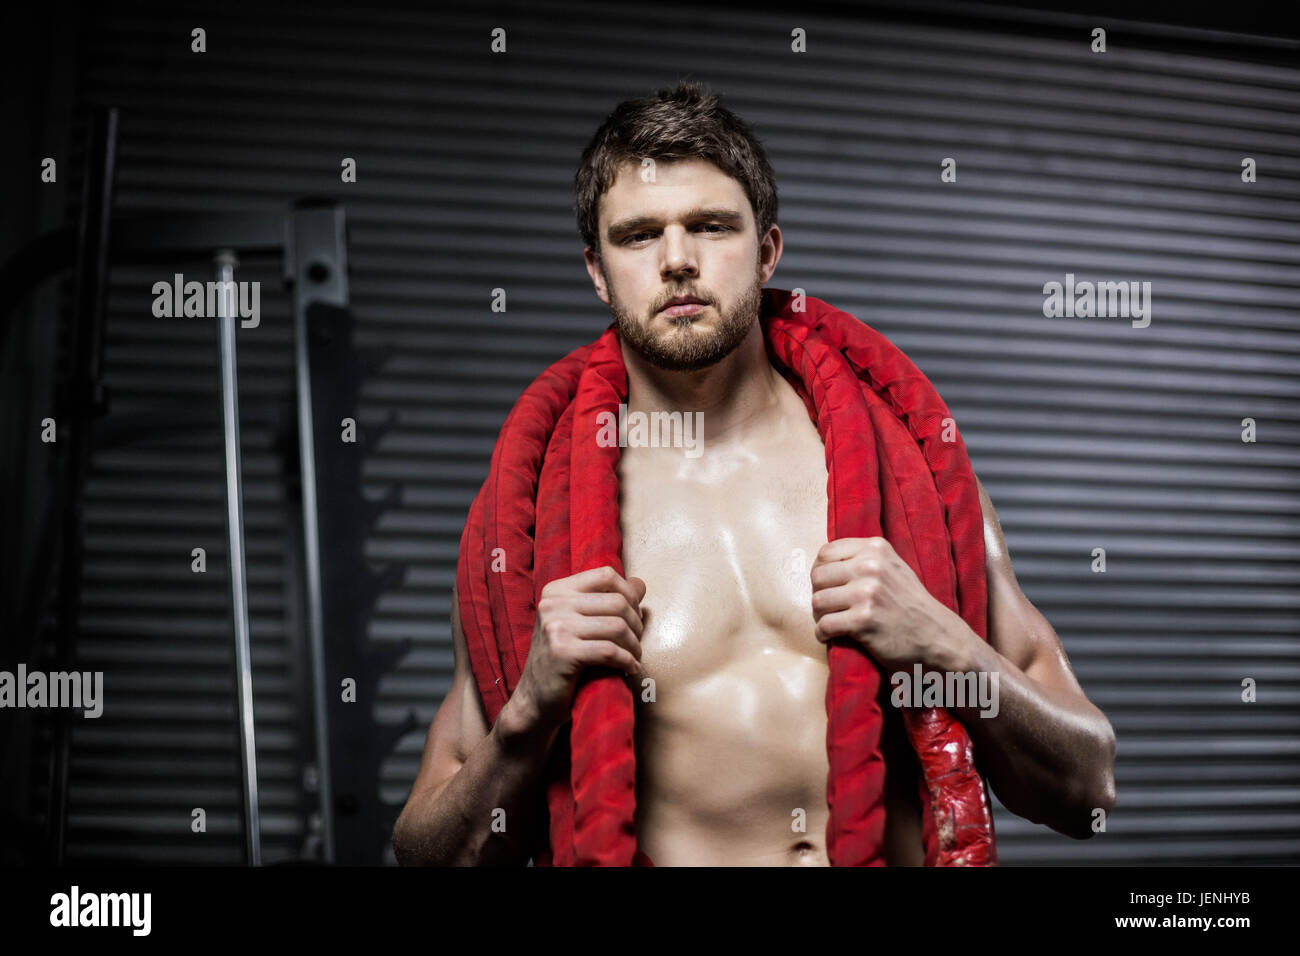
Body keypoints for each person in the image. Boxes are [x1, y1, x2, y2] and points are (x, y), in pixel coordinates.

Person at [392, 80, 1116, 866]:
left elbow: (1087, 788)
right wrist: (530, 710)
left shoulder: (913, 481)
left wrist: (947, 645)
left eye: (710, 226)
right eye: (638, 236)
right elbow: (429, 853)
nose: (677, 261)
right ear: (598, 273)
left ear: (768, 251)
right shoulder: (530, 522)